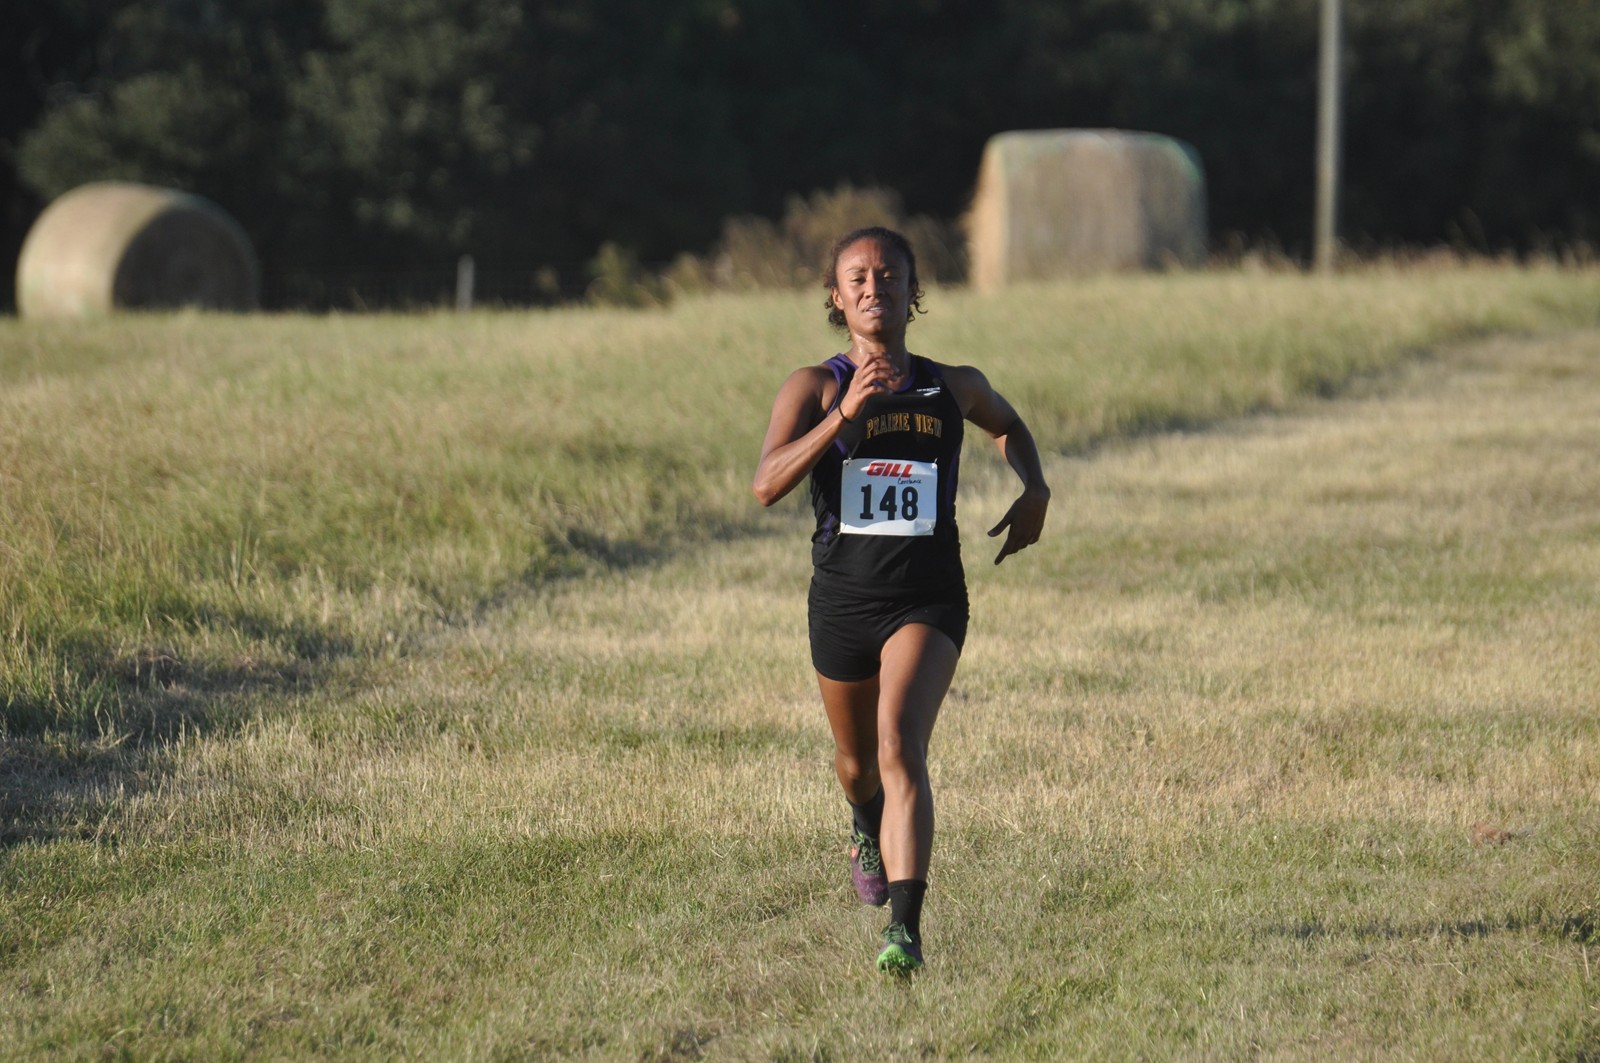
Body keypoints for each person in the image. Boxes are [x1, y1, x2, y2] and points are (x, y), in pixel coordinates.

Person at [752, 226, 1051, 973]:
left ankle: (906, 930)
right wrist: (842, 416)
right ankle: (863, 825)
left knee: (898, 745)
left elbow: (1006, 425)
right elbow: (765, 485)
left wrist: (1035, 486)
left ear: (912, 291)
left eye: (888, 275)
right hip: (843, 604)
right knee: (857, 765)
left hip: (929, 597)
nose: (872, 287)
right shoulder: (814, 386)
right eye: (856, 277)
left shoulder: (952, 385)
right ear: (835, 297)